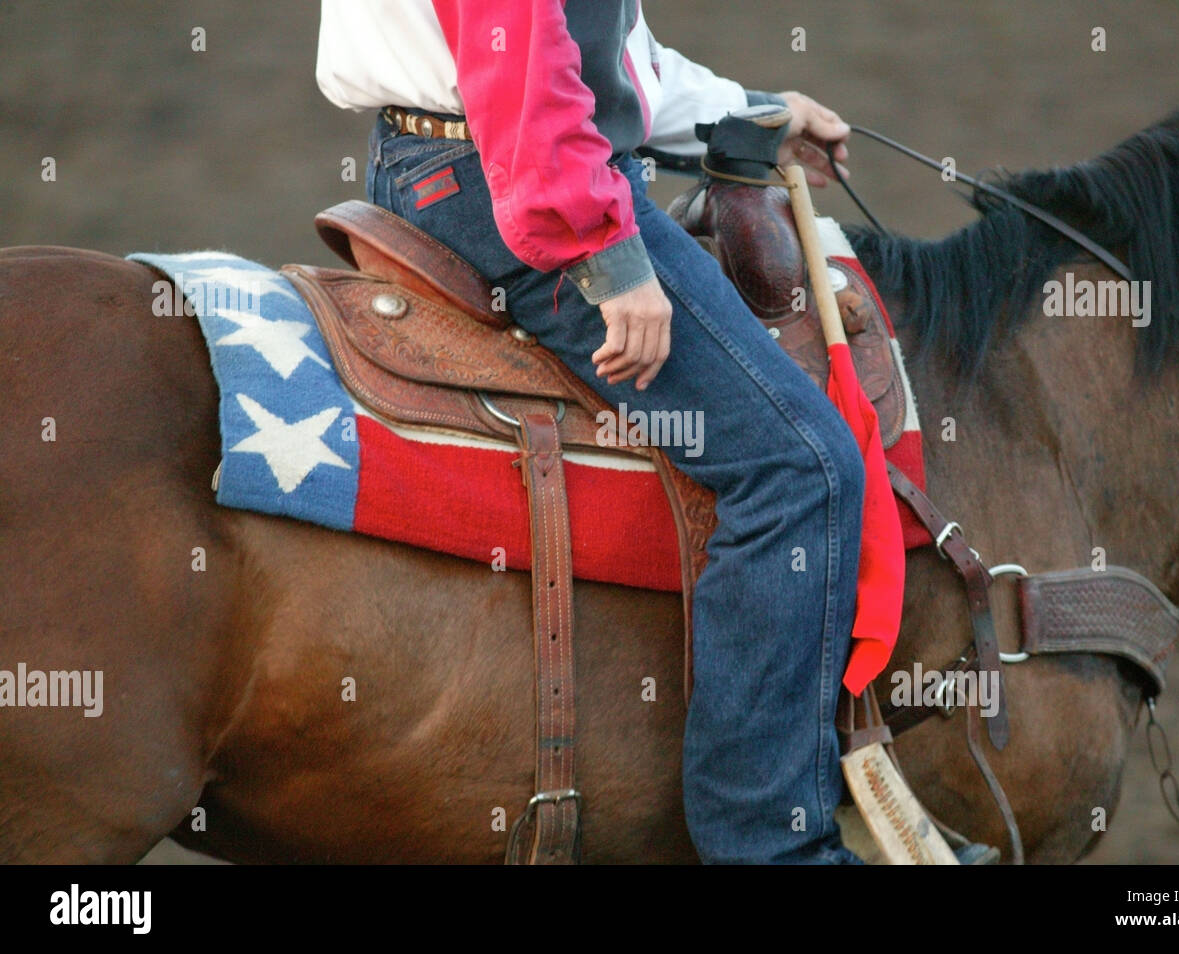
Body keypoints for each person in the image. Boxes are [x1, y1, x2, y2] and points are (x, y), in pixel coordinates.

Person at [317, 0, 868, 864]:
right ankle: (769, 844)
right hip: (517, 178)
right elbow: (523, 68)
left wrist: (747, 108)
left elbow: (594, 54)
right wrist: (603, 252)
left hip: (457, 159)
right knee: (803, 466)